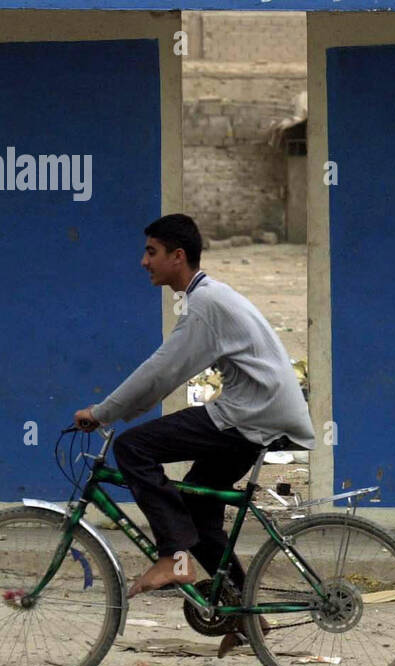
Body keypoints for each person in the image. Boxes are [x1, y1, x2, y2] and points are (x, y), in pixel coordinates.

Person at [73, 213, 314, 599]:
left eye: (151, 252)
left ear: (178, 256)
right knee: (196, 513)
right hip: (258, 411)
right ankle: (239, 615)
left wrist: (102, 412)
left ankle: (172, 557)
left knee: (132, 447)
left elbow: (162, 370)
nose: (143, 261)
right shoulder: (208, 297)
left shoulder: (205, 305)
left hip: (251, 414)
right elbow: (167, 372)